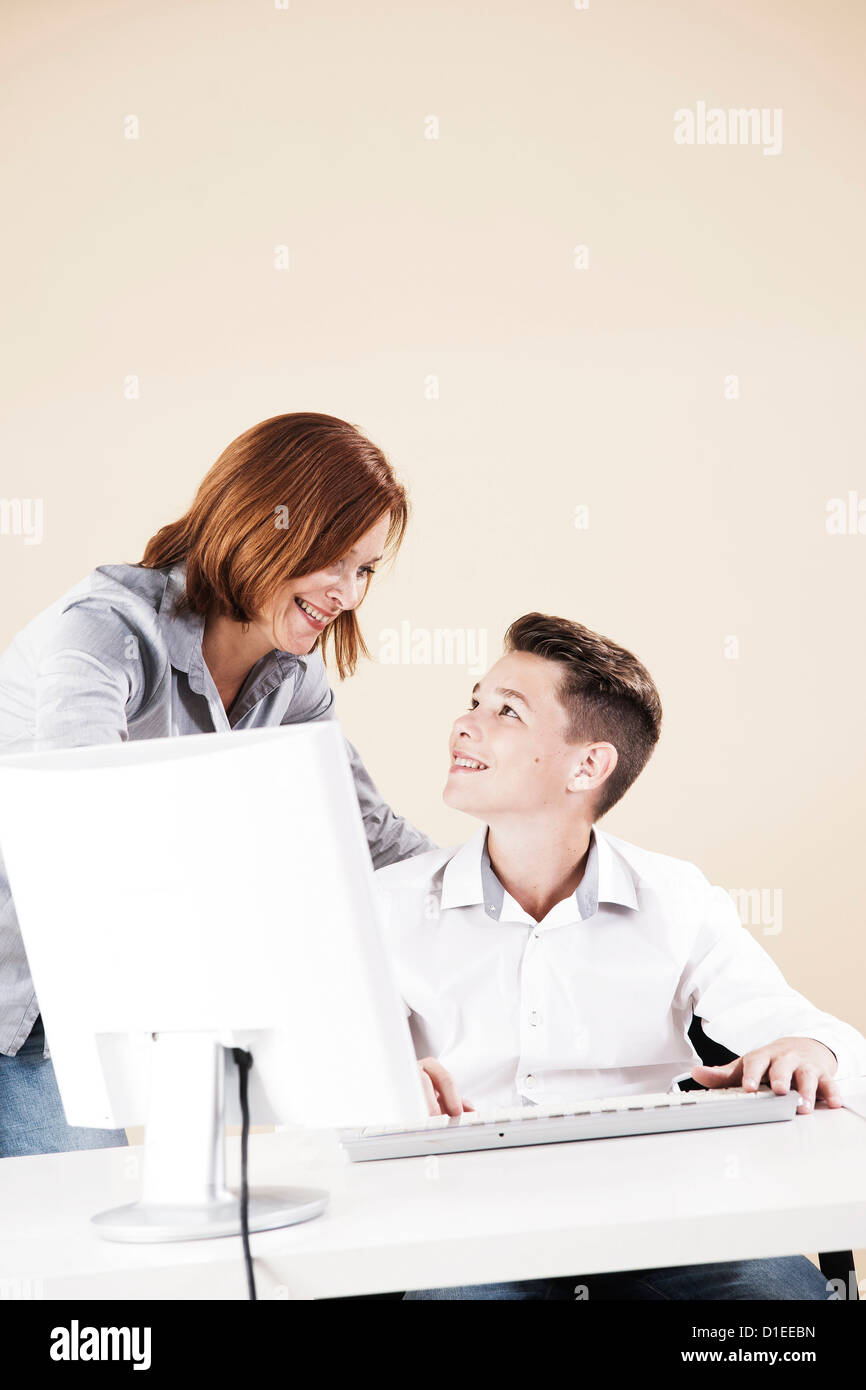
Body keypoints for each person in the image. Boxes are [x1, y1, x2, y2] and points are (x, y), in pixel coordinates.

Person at [373, 612, 866, 1300]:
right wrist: (379, 1084)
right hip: (467, 1233)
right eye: (475, 700)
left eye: (507, 712)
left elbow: (815, 1033)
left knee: (783, 1312)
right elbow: (317, 1086)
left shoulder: (675, 897)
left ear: (588, 765)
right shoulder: (386, 906)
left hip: (667, 1225)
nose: (465, 724)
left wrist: (810, 1052)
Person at [0, 411, 434, 1158]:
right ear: (263, 523)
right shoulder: (105, 631)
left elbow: (375, 844)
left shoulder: (289, 685)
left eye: (365, 570)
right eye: (336, 560)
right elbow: (83, 828)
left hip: (69, 1015)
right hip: (21, 992)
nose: (349, 594)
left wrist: (533, 887)